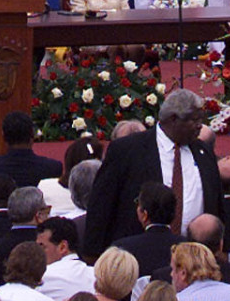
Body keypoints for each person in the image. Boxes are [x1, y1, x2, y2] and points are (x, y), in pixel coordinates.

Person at [82, 90, 220, 256]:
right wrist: (92, 254)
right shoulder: (127, 150)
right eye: (194, 120)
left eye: (201, 120)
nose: (200, 126)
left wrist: (223, 249)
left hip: (195, 258)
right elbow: (102, 205)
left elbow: (217, 204)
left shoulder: (204, 152)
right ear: (173, 119)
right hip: (139, 256)